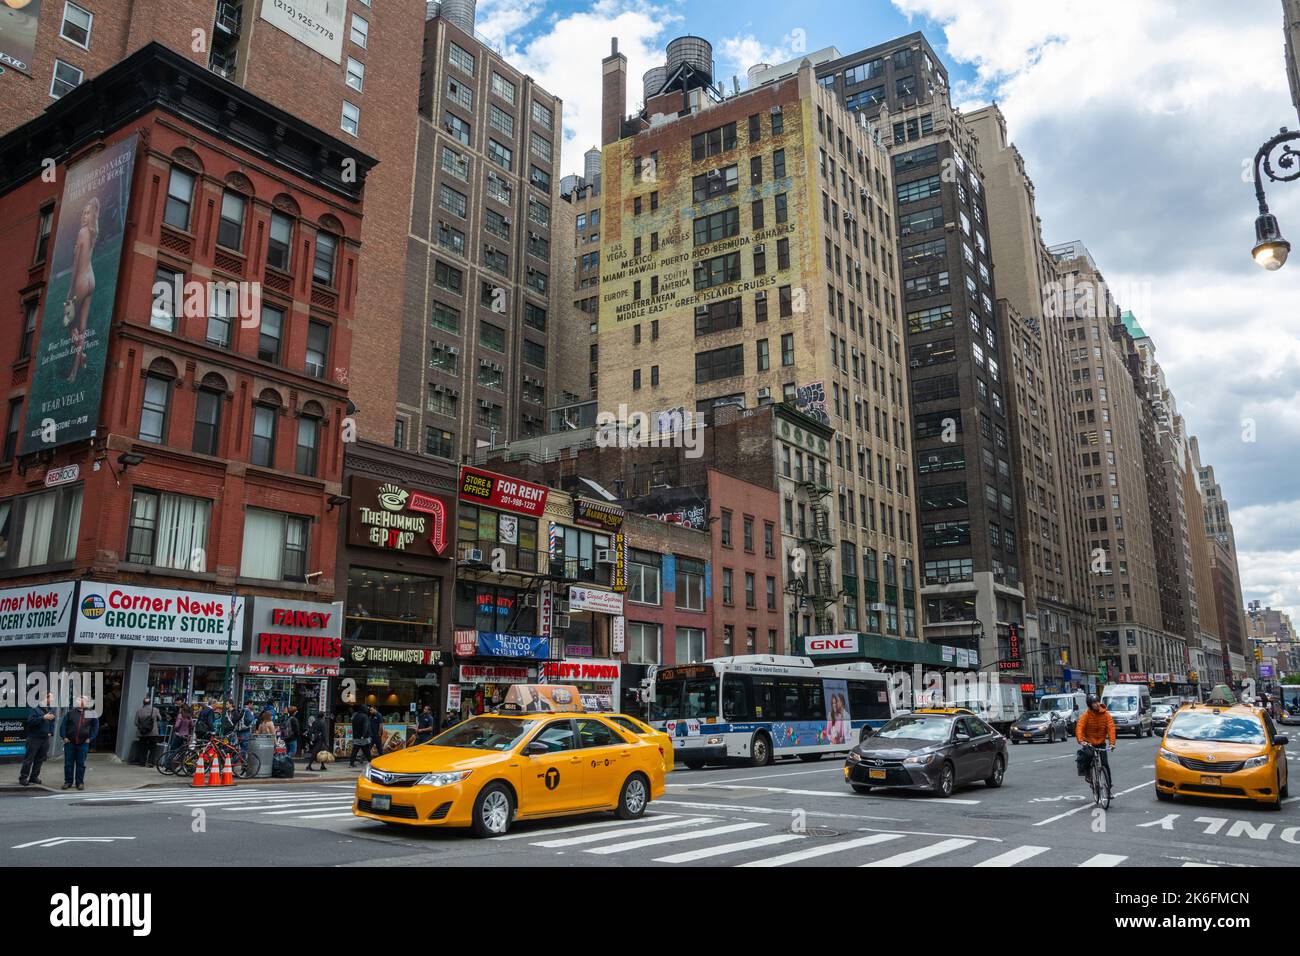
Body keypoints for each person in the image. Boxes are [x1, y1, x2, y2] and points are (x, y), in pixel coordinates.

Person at [65, 196, 100, 382]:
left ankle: (74, 370)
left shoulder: (82, 232)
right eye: (83, 213)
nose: (84, 216)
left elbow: (76, 265)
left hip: (80, 280)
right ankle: (80, 362)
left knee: (69, 322)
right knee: (83, 327)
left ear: (93, 215)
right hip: (91, 279)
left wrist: (70, 291)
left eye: (88, 213)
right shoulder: (93, 233)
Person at [1075, 694, 1116, 797]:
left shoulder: (1106, 715)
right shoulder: (1086, 715)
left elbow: (1111, 729)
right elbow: (1080, 727)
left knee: (1105, 764)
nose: (1097, 704)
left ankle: (1109, 788)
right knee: (1088, 755)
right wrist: (1081, 741)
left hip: (1101, 742)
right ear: (1090, 705)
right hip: (1088, 742)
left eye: (1097, 701)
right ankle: (1088, 773)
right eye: (1094, 703)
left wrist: (1112, 743)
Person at [59, 696, 98, 791]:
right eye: (78, 700)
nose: (79, 701)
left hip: (83, 743)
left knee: (81, 764)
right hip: (70, 743)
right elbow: (63, 725)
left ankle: (79, 782)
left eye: (82, 699)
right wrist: (64, 737)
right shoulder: (70, 713)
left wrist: (90, 738)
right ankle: (68, 782)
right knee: (68, 763)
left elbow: (95, 727)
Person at [19, 692, 56, 786]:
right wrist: (43, 717)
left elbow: (52, 722)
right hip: (34, 738)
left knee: (40, 759)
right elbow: (30, 722)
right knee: (29, 759)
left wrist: (50, 732)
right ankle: (23, 778)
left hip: (45, 739)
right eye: (51, 697)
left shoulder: (49, 709)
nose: (52, 699)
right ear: (45, 698)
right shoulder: (34, 708)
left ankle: (33, 777)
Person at [133, 696, 162, 767]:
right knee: (153, 748)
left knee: (143, 748)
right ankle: (151, 763)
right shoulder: (155, 710)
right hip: (153, 733)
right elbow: (160, 718)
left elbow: (136, 722)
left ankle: (142, 762)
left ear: (143, 703)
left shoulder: (139, 711)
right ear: (150, 702)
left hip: (143, 733)